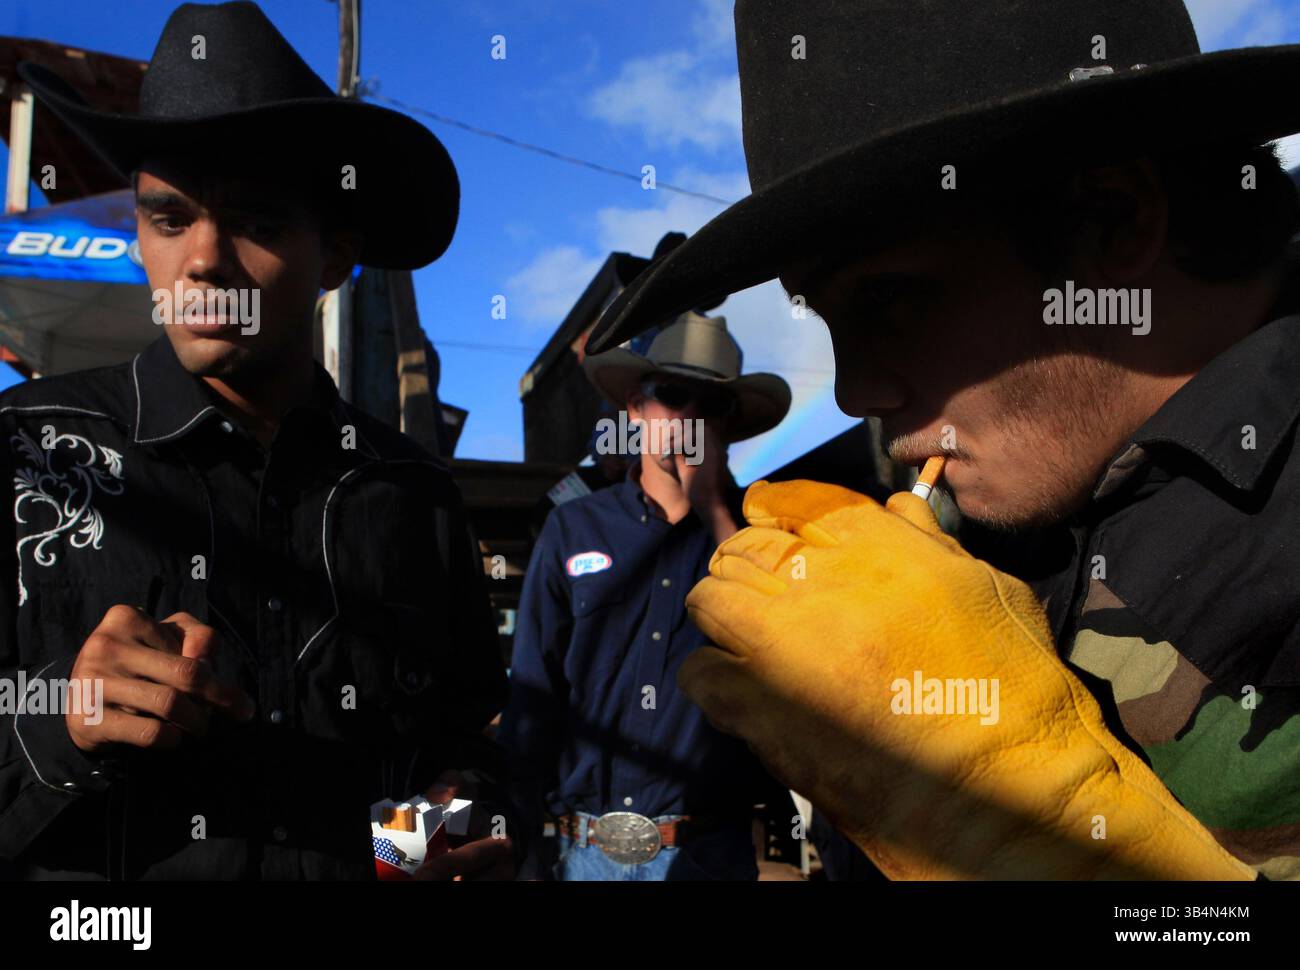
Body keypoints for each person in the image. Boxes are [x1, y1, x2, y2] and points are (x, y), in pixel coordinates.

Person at [586, 0, 1300, 879]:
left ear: (1115, 217)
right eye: (824, 316)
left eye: (890, 298)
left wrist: (1007, 810)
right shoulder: (1009, 507)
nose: (854, 390)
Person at [0, 1, 513, 880]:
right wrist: (61, 720)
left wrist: (437, 830)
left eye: (256, 222)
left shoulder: (412, 492)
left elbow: (476, 753)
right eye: (169, 218)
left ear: (338, 255)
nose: (203, 258)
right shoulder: (27, 451)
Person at [500, 311, 792, 880]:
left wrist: (713, 510)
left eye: (712, 404)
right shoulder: (573, 529)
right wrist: (520, 850)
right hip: (583, 853)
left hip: (707, 854)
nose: (689, 417)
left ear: (729, 425)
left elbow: (790, 670)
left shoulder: (764, 542)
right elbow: (533, 698)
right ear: (634, 407)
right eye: (673, 394)